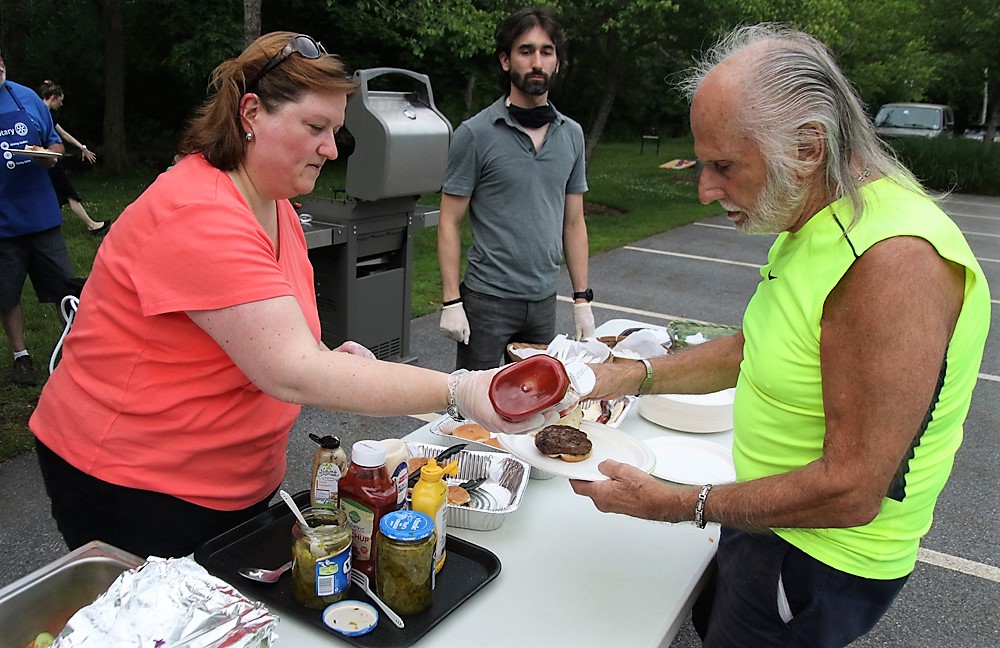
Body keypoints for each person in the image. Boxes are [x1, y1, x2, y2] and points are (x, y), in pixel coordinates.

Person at [29, 32, 555, 560]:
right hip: (135, 483)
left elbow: (275, 340)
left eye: (336, 131)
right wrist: (464, 392)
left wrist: (325, 358)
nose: (331, 149)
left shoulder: (273, 201)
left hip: (227, 479)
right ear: (251, 113)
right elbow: (291, 370)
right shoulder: (201, 213)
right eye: (315, 128)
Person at [571, 24, 990, 648]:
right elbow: (760, 344)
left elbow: (851, 491)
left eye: (723, 166)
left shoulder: (892, 261)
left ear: (808, 147)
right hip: (766, 521)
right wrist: (630, 374)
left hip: (816, 558)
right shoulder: (819, 216)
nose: (705, 189)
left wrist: (681, 503)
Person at [437, 7, 593, 371]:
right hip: (486, 303)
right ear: (506, 61)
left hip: (543, 303)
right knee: (476, 412)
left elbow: (574, 223)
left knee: (530, 407)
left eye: (546, 51)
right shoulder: (475, 134)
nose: (537, 61)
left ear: (557, 62)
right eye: (526, 51)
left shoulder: (571, 135)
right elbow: (448, 221)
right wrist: (450, 302)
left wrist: (582, 299)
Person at [0, 50, 73, 387]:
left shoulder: (26, 96)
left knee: (65, 289)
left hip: (42, 216)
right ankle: (21, 356)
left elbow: (54, 144)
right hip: (3, 224)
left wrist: (48, 158)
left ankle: (76, 350)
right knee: (7, 294)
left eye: (0, 59)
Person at [37, 80, 107, 234]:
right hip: (49, 161)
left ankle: (44, 226)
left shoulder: (45, 113)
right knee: (69, 193)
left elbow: (63, 134)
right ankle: (91, 225)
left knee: (55, 195)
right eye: (60, 101)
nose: (61, 105)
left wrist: (82, 147)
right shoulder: (39, 112)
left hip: (48, 161)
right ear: (54, 97)